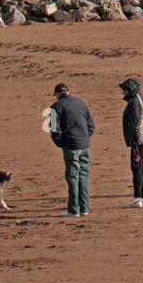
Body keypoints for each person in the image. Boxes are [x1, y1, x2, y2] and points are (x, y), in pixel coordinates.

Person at [50, 83, 95, 216]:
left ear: (57, 94)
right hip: (84, 144)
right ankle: (84, 207)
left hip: (71, 145)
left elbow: (54, 129)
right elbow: (91, 125)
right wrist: (85, 137)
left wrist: (61, 143)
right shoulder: (80, 103)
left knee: (72, 176)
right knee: (84, 176)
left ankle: (73, 209)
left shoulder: (56, 106)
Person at [120, 78, 143, 208]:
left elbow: (136, 122)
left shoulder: (135, 102)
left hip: (141, 140)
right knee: (140, 168)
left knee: (136, 168)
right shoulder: (139, 99)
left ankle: (137, 198)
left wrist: (135, 143)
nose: (123, 93)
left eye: (124, 90)